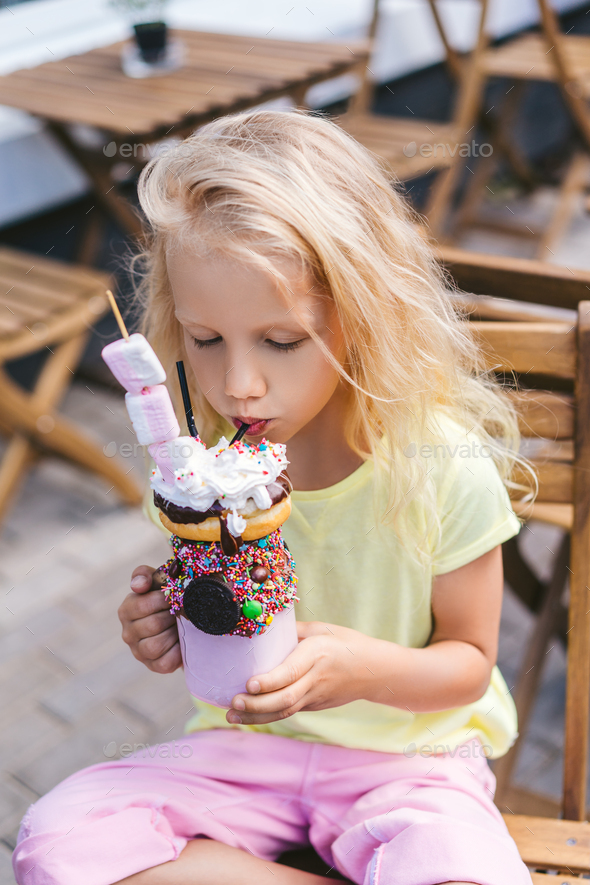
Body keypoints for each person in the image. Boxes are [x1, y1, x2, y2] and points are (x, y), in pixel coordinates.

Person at [12, 109, 535, 885]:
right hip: (245, 751)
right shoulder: (200, 475)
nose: (237, 383)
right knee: (57, 843)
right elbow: (224, 617)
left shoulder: (440, 466)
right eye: (205, 338)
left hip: (407, 762)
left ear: (362, 316)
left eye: (280, 341)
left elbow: (467, 663)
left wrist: (358, 667)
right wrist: (169, 631)